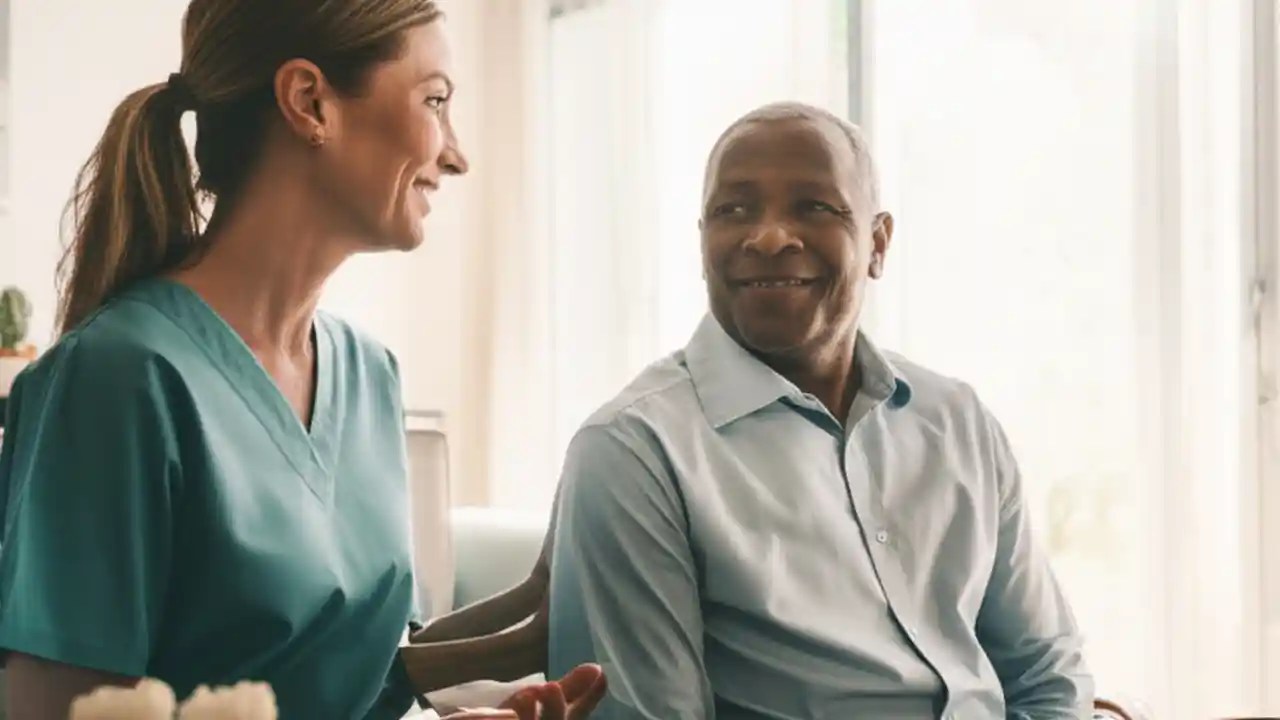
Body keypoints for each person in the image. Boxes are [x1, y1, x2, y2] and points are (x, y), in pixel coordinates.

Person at [0, 2, 604, 718]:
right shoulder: (115, 379)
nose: (455, 153)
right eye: (435, 101)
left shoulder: (371, 374)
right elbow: (53, 710)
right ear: (309, 102)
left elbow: (349, 686)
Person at [547, 102, 1094, 718]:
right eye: (734, 210)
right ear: (702, 244)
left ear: (877, 244)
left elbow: (1048, 676)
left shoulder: (958, 421)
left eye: (813, 206)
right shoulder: (631, 452)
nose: (770, 236)